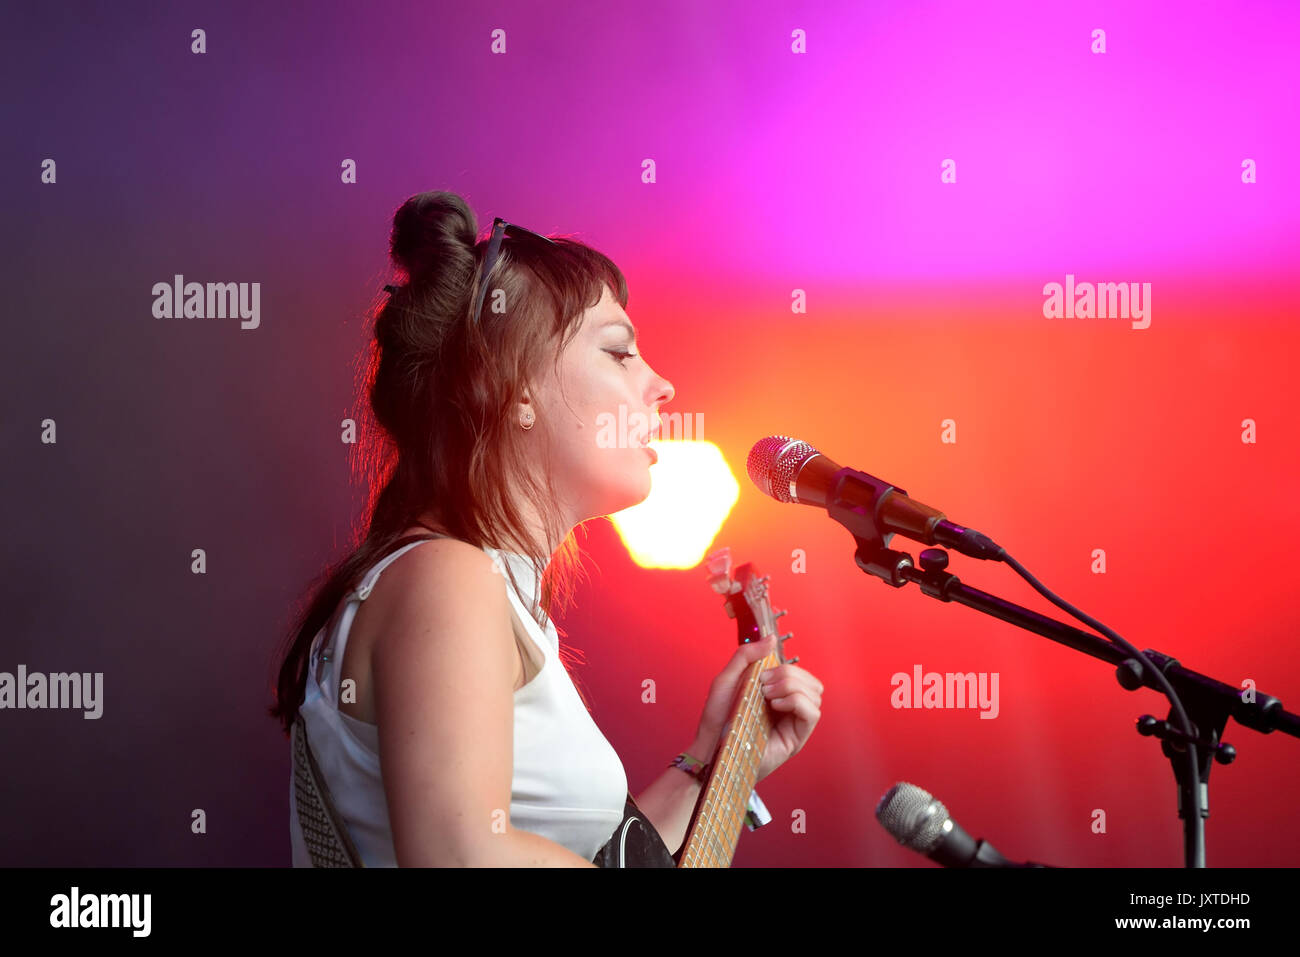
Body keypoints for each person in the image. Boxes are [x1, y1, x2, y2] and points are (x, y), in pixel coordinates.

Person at [268, 190, 823, 866]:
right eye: (619, 352)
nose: (663, 385)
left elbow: (588, 853)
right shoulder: (447, 577)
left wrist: (715, 765)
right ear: (515, 390)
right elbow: (458, 853)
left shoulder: (476, 587)